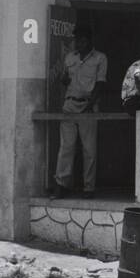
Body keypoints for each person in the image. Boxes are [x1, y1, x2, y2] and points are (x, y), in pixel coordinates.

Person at [51, 27, 107, 198]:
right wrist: (63, 79)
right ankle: (61, 184)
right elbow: (65, 80)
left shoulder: (100, 58)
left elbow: (101, 83)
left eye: (82, 40)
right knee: (66, 147)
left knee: (89, 149)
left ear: (89, 40)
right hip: (70, 105)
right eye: (77, 40)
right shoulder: (70, 57)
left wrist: (91, 104)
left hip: (87, 106)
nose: (79, 43)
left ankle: (88, 187)